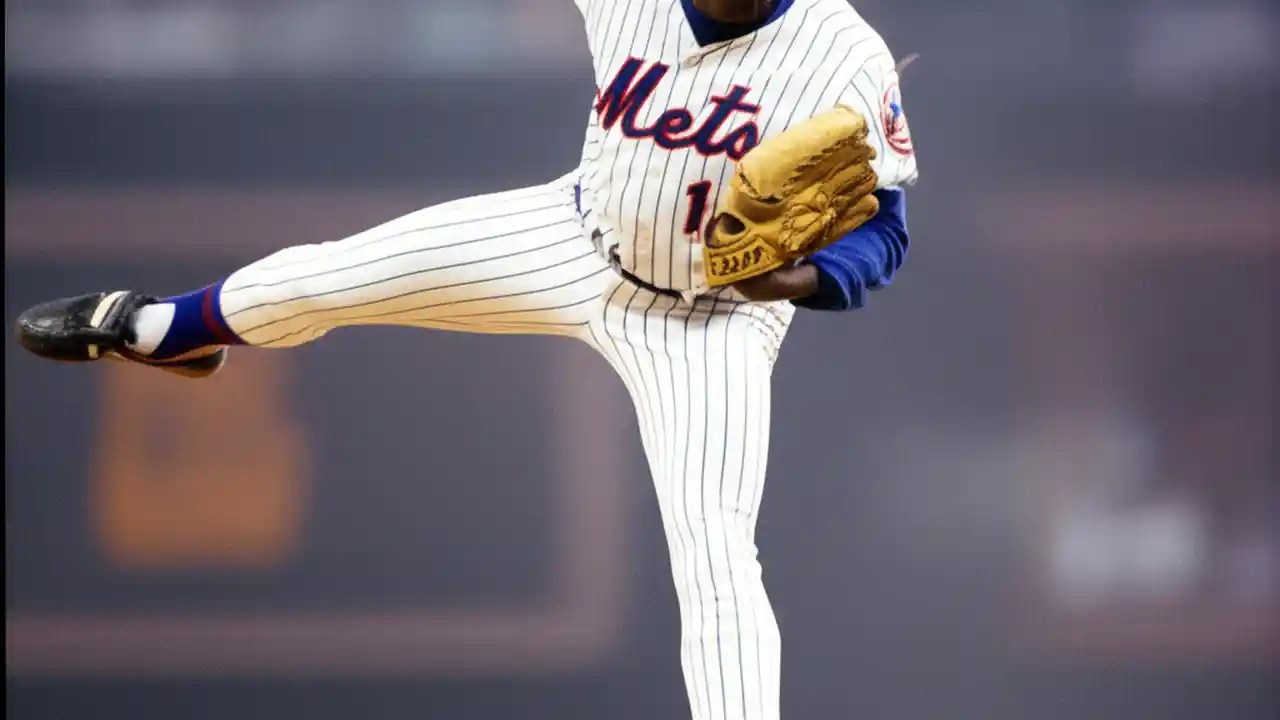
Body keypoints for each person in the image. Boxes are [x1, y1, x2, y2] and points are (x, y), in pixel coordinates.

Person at [15, 1, 917, 718]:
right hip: (575, 235)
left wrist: (805, 279)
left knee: (716, 551)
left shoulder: (841, 52)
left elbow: (887, 227)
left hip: (713, 322)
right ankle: (164, 331)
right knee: (344, 274)